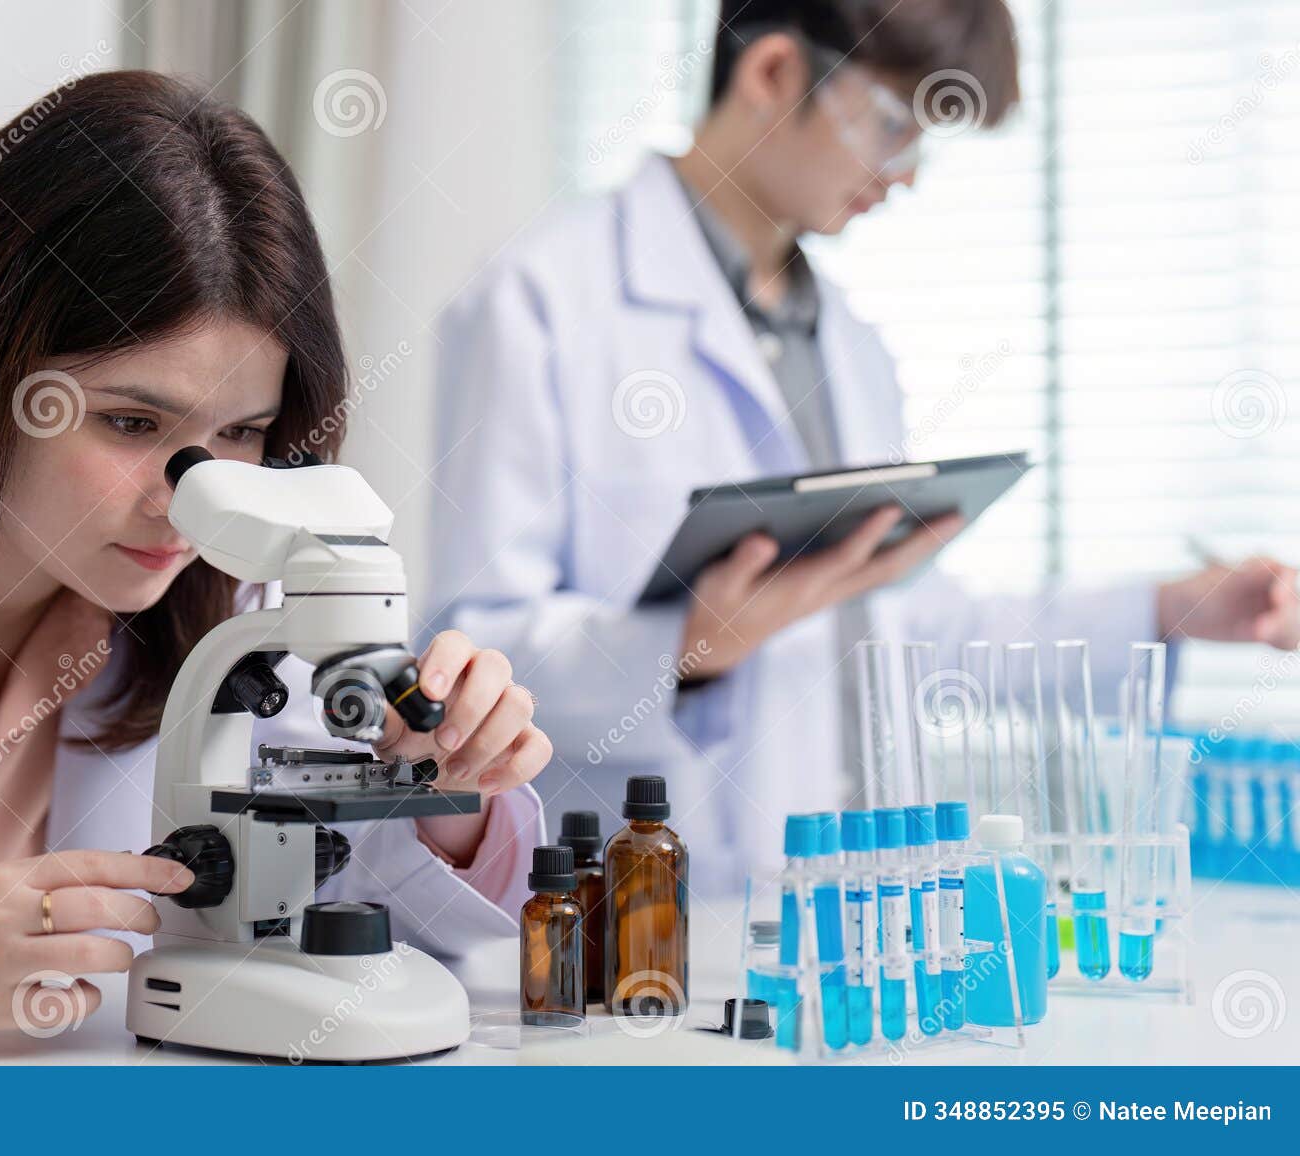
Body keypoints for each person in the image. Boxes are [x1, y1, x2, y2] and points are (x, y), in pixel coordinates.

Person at [0, 71, 551, 1064]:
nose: (187, 498)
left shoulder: (232, 592)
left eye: (242, 432)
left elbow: (372, 901)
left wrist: (452, 784)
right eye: (132, 423)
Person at [428, 0, 1297, 889]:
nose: (906, 174)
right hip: (626, 903)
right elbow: (473, 658)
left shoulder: (849, 348)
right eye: (892, 125)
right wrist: (688, 645)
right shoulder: (538, 301)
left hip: (836, 902)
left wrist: (1175, 610)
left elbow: (908, 629)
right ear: (773, 73)